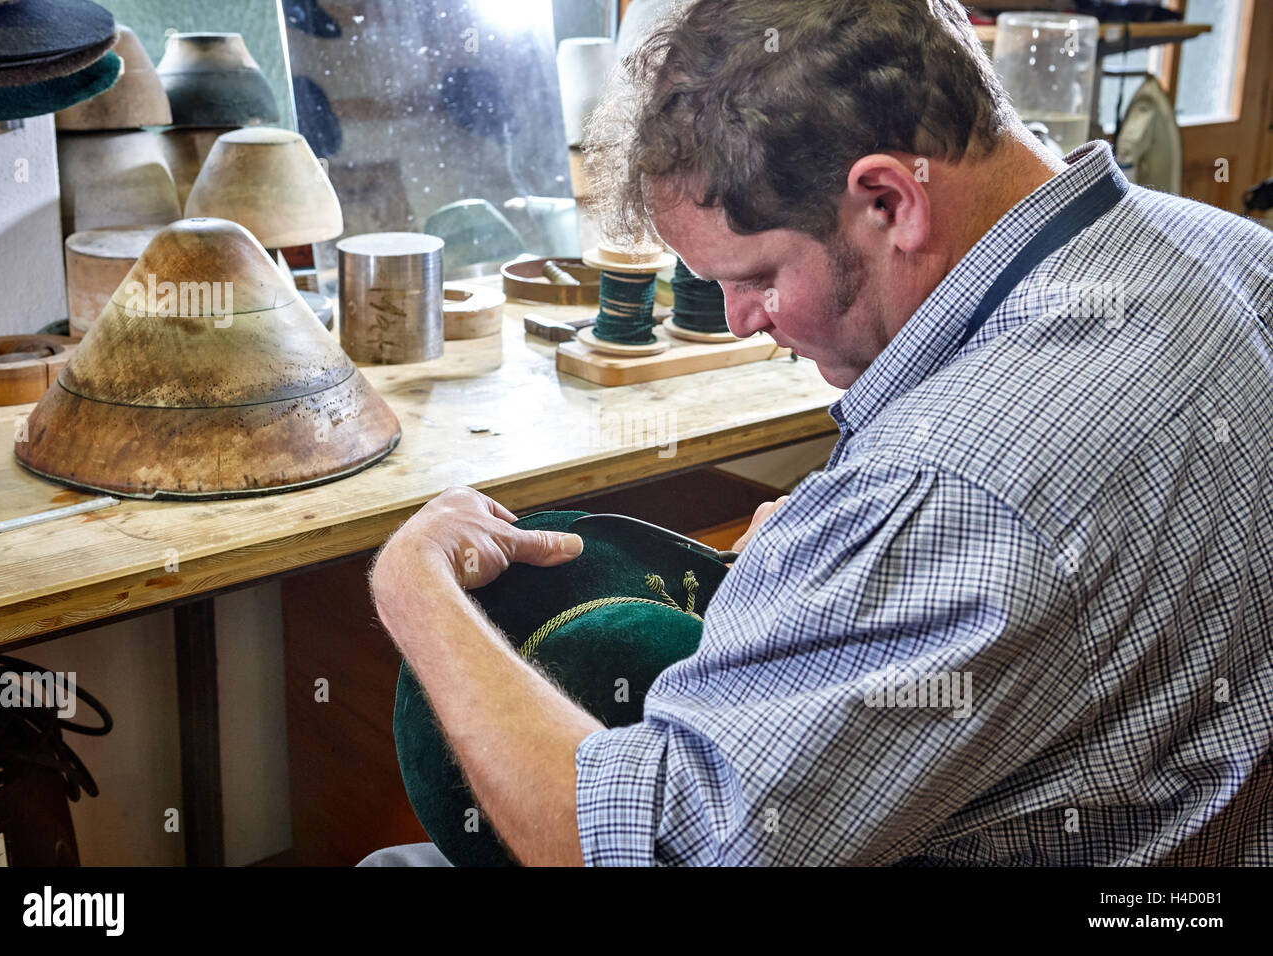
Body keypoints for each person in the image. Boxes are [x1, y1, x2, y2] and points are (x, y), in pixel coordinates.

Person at [363, 0, 1273, 866]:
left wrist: (416, 593)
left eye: (756, 275)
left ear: (888, 201)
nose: (739, 321)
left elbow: (630, 849)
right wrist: (846, 569)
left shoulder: (946, 492)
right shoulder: (1235, 257)